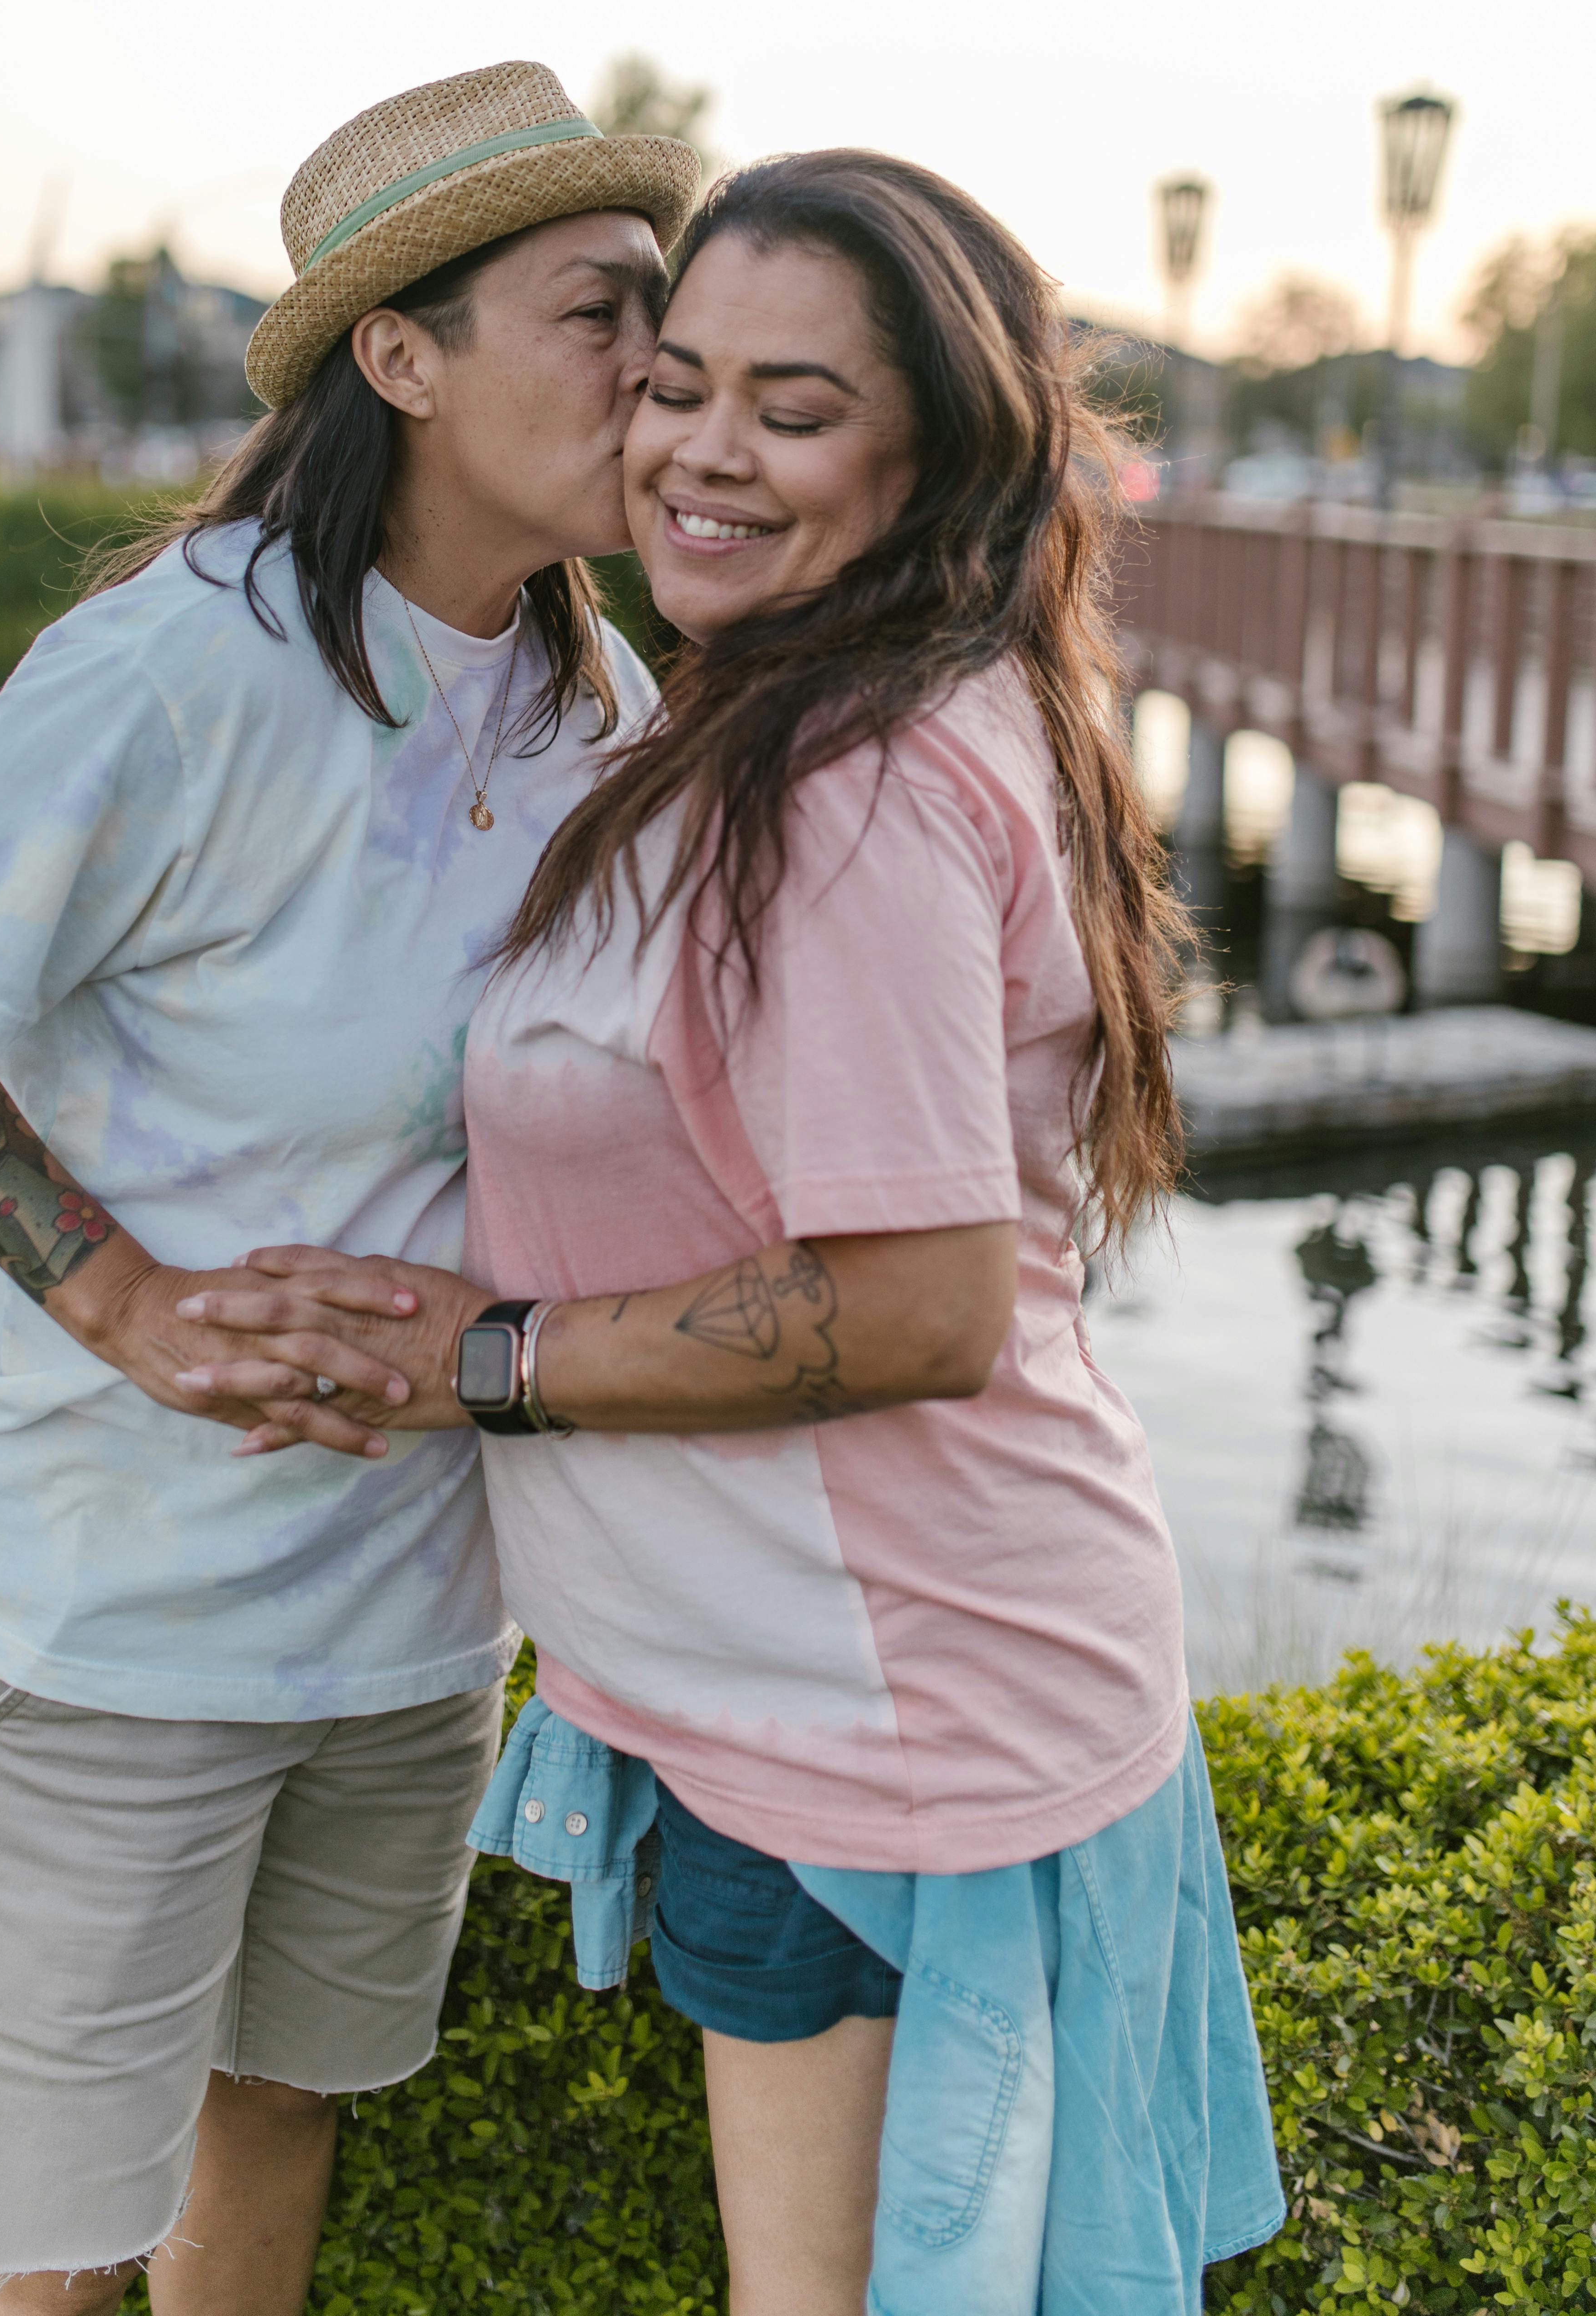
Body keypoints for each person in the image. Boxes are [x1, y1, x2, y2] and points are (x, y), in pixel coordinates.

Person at [186, 149, 1284, 2313]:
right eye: (675, 381)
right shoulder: (764, 714)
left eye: (790, 412)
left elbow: (919, 1304)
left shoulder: (852, 783)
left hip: (882, 1732)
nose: (701, 449)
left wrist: (476, 1359)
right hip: (805, 1694)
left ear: (931, 452)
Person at [0, 58, 700, 2316]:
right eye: (598, 313)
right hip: (108, 1619)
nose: (653, 372)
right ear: (403, 359)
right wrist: (117, 1300)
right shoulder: (186, 662)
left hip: (405, 1618)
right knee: (43, 2250)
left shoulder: (601, 708)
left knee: (273, 2123)